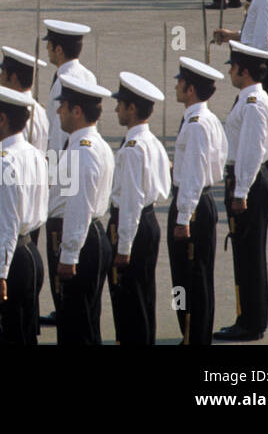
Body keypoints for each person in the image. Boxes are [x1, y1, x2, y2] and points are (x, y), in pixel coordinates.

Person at [0, 82, 47, 345]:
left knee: (5, 335)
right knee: (24, 334)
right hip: (29, 253)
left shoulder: (3, 161)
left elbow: (7, 223)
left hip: (9, 258)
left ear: (1, 118)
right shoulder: (33, 154)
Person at [215, 42, 268, 342]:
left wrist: (241, 191)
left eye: (232, 66)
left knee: (249, 255)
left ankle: (250, 323)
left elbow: (253, 150)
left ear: (244, 71)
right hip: (256, 178)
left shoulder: (253, 103)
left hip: (250, 181)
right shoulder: (255, 99)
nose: (229, 70)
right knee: (248, 253)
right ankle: (250, 318)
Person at [167, 57, 228, 345]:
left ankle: (194, 336)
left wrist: (182, 217)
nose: (176, 86)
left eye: (180, 82)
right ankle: (194, 335)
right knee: (195, 275)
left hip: (190, 205)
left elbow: (193, 174)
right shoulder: (207, 119)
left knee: (189, 277)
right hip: (198, 200)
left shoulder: (195, 124)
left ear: (190, 89)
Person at [106, 73, 170, 345]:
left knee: (129, 298)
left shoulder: (133, 148)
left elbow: (131, 200)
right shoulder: (151, 141)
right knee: (143, 295)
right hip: (147, 221)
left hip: (131, 224)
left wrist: (123, 247)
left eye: (120, 104)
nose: (116, 109)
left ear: (132, 108)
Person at [51, 75, 114, 345]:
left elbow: (79, 205)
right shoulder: (90, 144)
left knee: (77, 324)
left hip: (83, 239)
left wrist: (69, 254)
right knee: (83, 319)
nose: (58, 111)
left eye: (62, 106)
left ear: (77, 111)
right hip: (90, 235)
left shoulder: (83, 151)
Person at [42, 18, 96, 326]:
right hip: (76, 157)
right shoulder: (83, 74)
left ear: (58, 48)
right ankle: (65, 303)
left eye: (49, 45)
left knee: (58, 234)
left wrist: (52, 173)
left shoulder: (64, 81)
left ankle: (63, 302)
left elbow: (58, 132)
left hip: (64, 167)